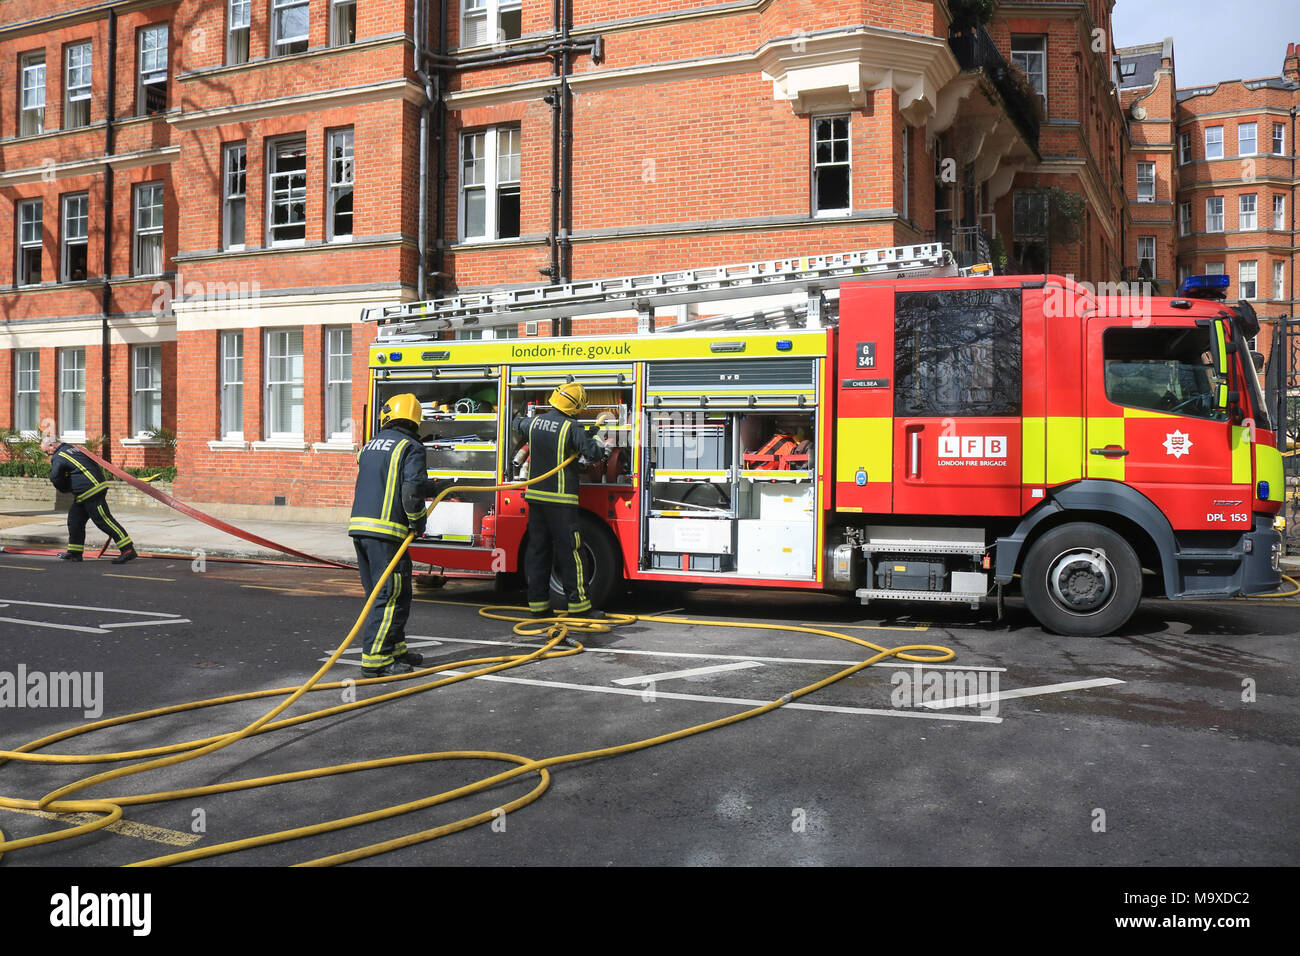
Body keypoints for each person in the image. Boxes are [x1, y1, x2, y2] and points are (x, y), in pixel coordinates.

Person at [348, 393, 447, 677]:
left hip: (362, 530)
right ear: (415, 420)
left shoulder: (369, 446)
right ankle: (377, 660)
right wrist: (419, 522)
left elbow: (389, 480)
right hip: (388, 533)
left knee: (381, 594)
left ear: (387, 416)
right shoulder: (412, 447)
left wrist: (437, 487)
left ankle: (394, 649)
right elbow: (410, 491)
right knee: (392, 595)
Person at [511, 382, 610, 619]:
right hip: (561, 501)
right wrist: (599, 440)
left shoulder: (533, 423)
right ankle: (579, 608)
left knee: (538, 552)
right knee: (571, 553)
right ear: (575, 406)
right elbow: (593, 454)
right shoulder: (572, 428)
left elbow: (516, 422)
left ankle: (538, 607)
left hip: (535, 498)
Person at [41, 437, 137, 564]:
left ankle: (128, 550)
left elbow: (55, 477)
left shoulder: (59, 456)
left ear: (52, 445)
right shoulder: (73, 448)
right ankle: (75, 553)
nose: (48, 454)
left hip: (91, 492)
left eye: (47, 451)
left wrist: (65, 488)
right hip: (85, 493)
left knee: (104, 521)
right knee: (75, 520)